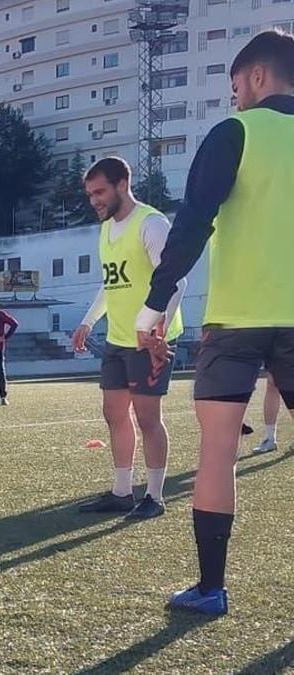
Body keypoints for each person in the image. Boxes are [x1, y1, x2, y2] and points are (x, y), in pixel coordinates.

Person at [134, 30, 294, 616]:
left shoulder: (236, 131)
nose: (234, 99)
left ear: (256, 77)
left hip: (234, 324)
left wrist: (153, 307)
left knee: (218, 451)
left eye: (235, 88)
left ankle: (210, 589)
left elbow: (193, 223)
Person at [72, 157, 187, 520]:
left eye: (100, 192)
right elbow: (112, 283)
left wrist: (158, 328)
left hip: (150, 340)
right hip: (118, 338)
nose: (95, 201)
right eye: (90, 194)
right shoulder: (106, 228)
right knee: (113, 413)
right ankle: (122, 492)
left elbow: (176, 281)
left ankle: (154, 496)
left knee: (148, 417)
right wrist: (88, 321)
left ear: (123, 184)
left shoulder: (151, 224)